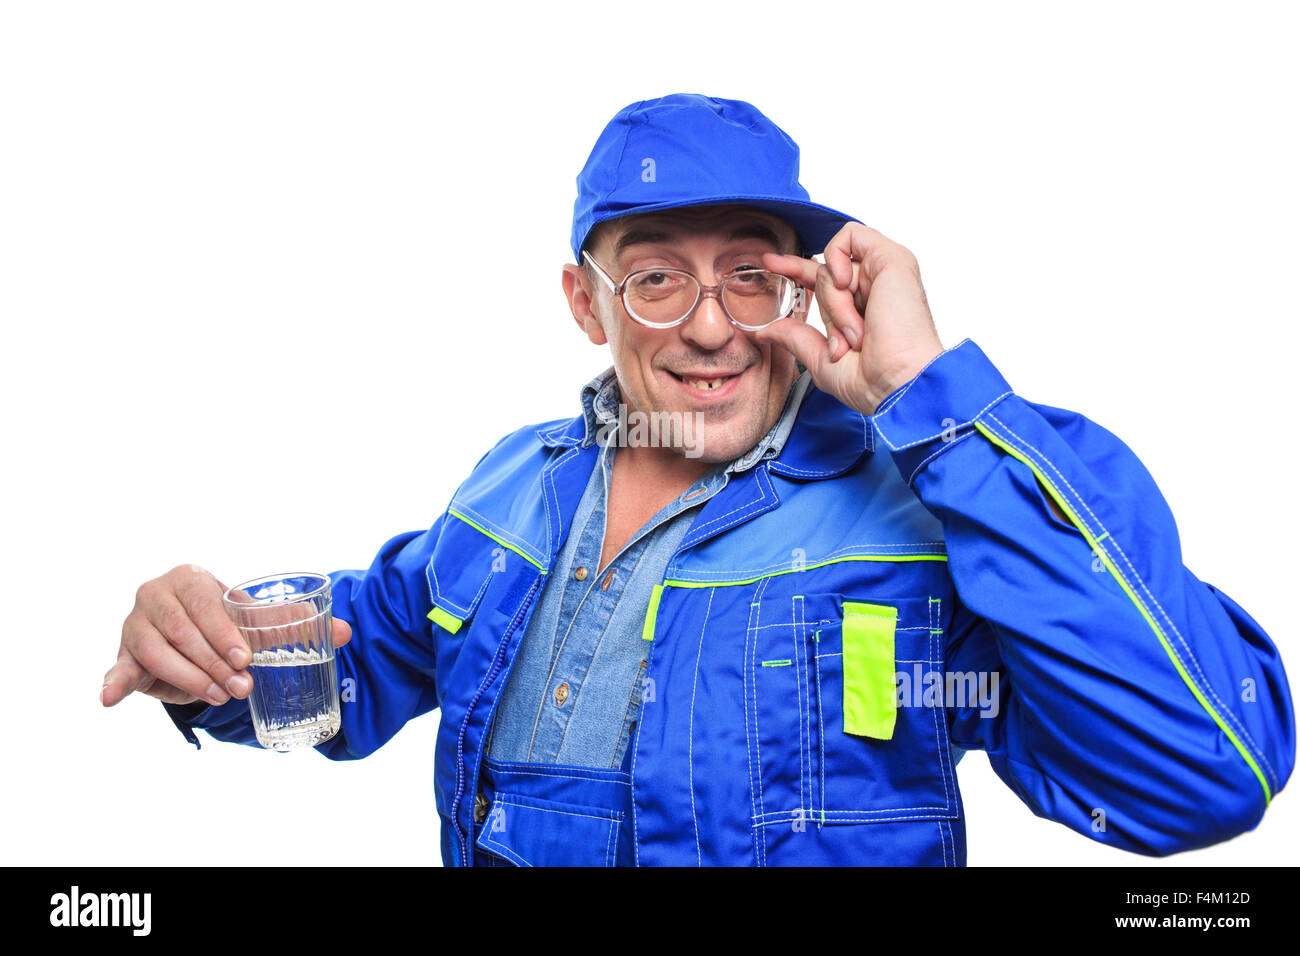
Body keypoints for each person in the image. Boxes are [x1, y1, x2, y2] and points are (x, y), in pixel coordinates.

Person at [102, 93, 1295, 866]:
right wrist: (203, 646)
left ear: (808, 289)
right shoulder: (510, 491)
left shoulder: (923, 514)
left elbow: (1200, 770)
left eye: (752, 274)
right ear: (586, 302)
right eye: (659, 278)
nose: (714, 326)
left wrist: (933, 396)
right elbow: (363, 648)